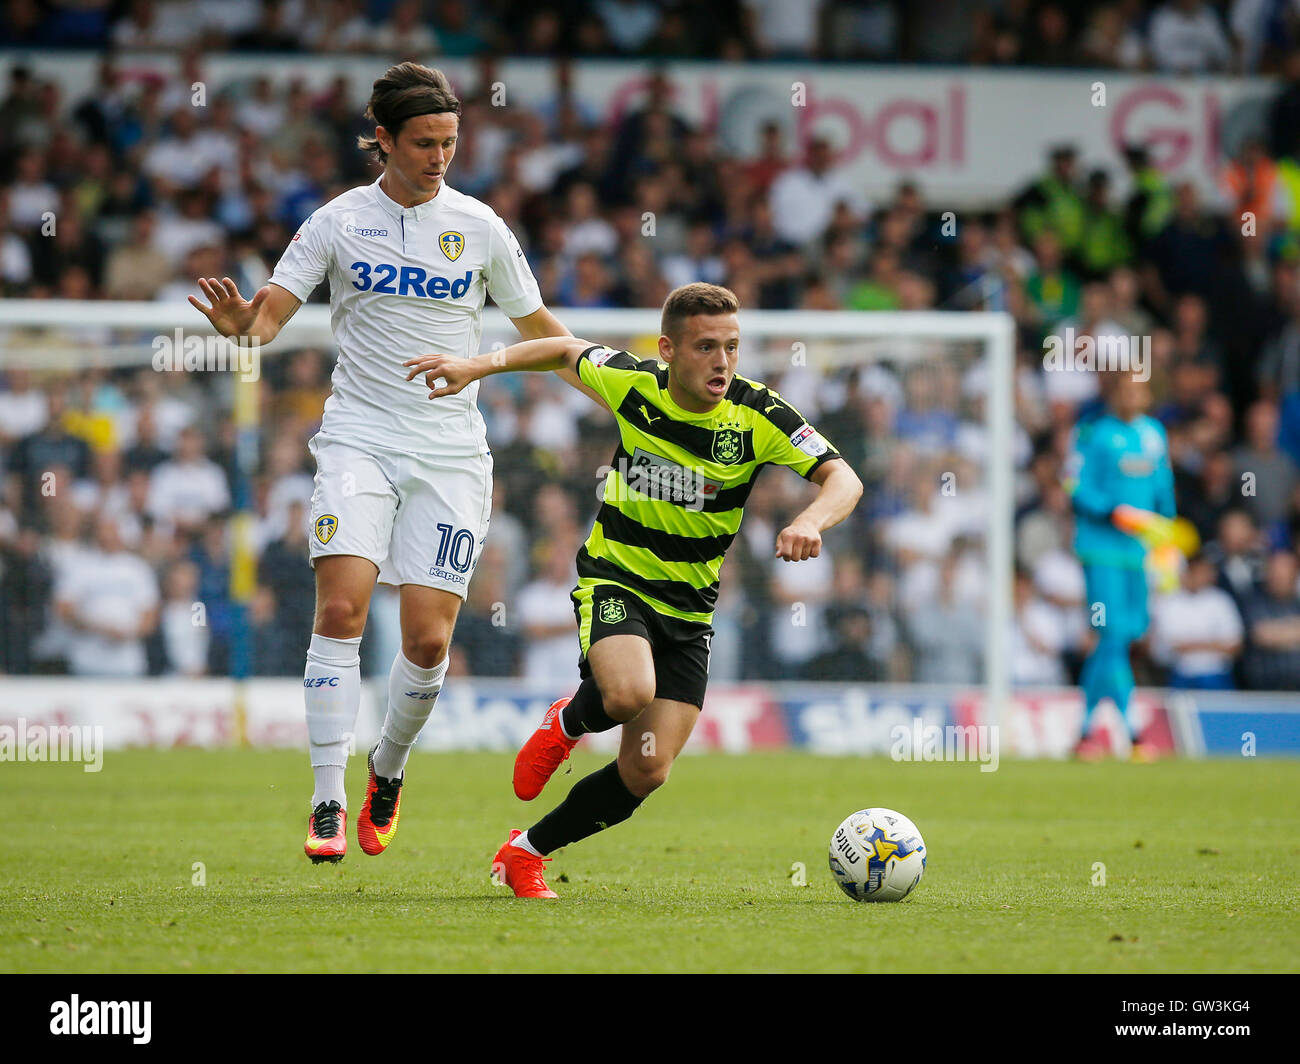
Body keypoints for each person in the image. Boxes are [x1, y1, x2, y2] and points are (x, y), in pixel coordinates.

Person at [189, 63, 575, 864]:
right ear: (384, 141)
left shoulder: (481, 228)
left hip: (449, 453)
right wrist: (239, 327)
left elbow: (554, 340)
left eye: (451, 142)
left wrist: (620, 399)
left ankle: (387, 769)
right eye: (425, 143)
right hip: (358, 437)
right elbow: (266, 325)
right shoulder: (335, 222)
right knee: (341, 611)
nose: (440, 157)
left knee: (429, 641)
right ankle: (327, 800)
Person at [404, 282, 863, 898]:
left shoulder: (761, 415)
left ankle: (525, 851)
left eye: (731, 347)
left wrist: (811, 519)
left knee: (646, 769)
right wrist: (477, 365)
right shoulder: (633, 382)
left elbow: (844, 478)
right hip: (617, 579)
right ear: (668, 350)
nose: (723, 362)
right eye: (706, 347)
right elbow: (562, 350)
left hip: (691, 610)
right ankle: (567, 722)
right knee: (627, 691)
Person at [1067, 373, 1176, 760]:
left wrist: (1169, 537)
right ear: (1114, 393)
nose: (1133, 396)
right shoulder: (1093, 433)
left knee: (1124, 639)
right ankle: (1131, 734)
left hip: (1139, 553)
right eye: (1126, 389)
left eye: (1140, 390)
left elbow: (1163, 488)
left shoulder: (1154, 434)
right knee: (1111, 636)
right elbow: (1074, 487)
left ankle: (1083, 733)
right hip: (1101, 551)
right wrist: (1111, 511)